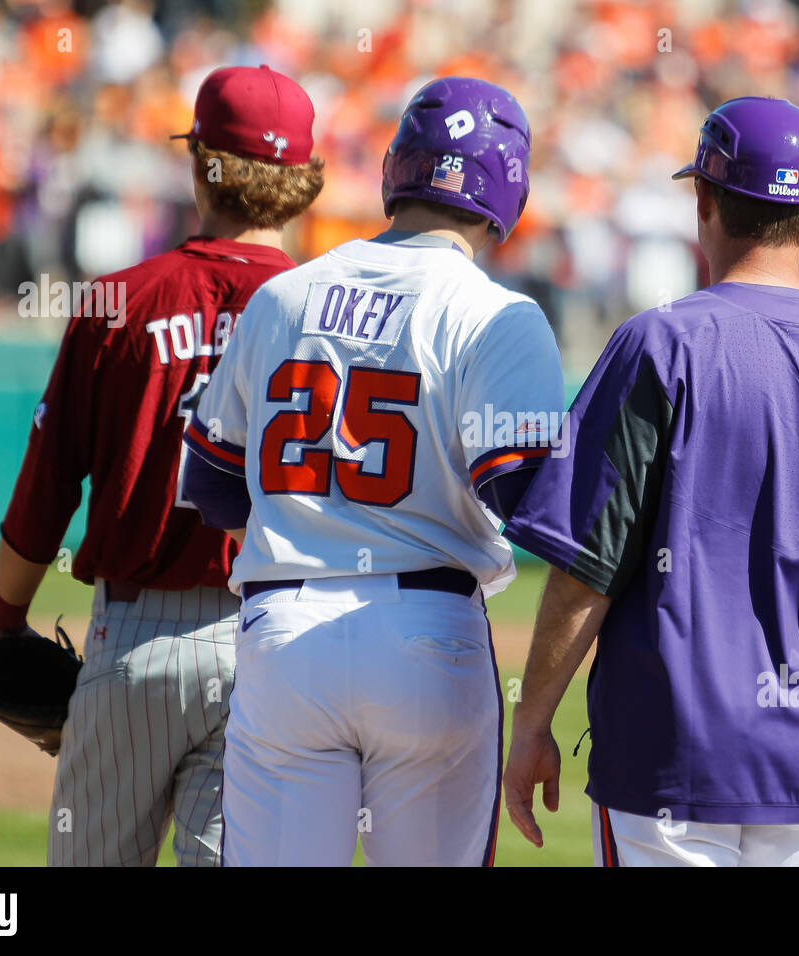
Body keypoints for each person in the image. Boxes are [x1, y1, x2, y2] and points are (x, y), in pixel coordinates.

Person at [500, 97, 799, 867]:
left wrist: (531, 722)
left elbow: (585, 570)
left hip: (670, 763)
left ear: (703, 198)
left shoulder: (658, 344)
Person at [182, 76, 564, 867]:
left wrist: (316, 512)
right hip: (429, 633)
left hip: (284, 630)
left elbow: (215, 489)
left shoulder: (283, 296)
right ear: (511, 186)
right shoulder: (498, 314)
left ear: (397, 167)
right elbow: (526, 497)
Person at [0, 65, 323, 866]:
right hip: (286, 644)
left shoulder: (121, 301)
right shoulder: (336, 313)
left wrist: (5, 619)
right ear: (303, 179)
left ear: (201, 162)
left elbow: (46, 489)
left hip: (137, 637)